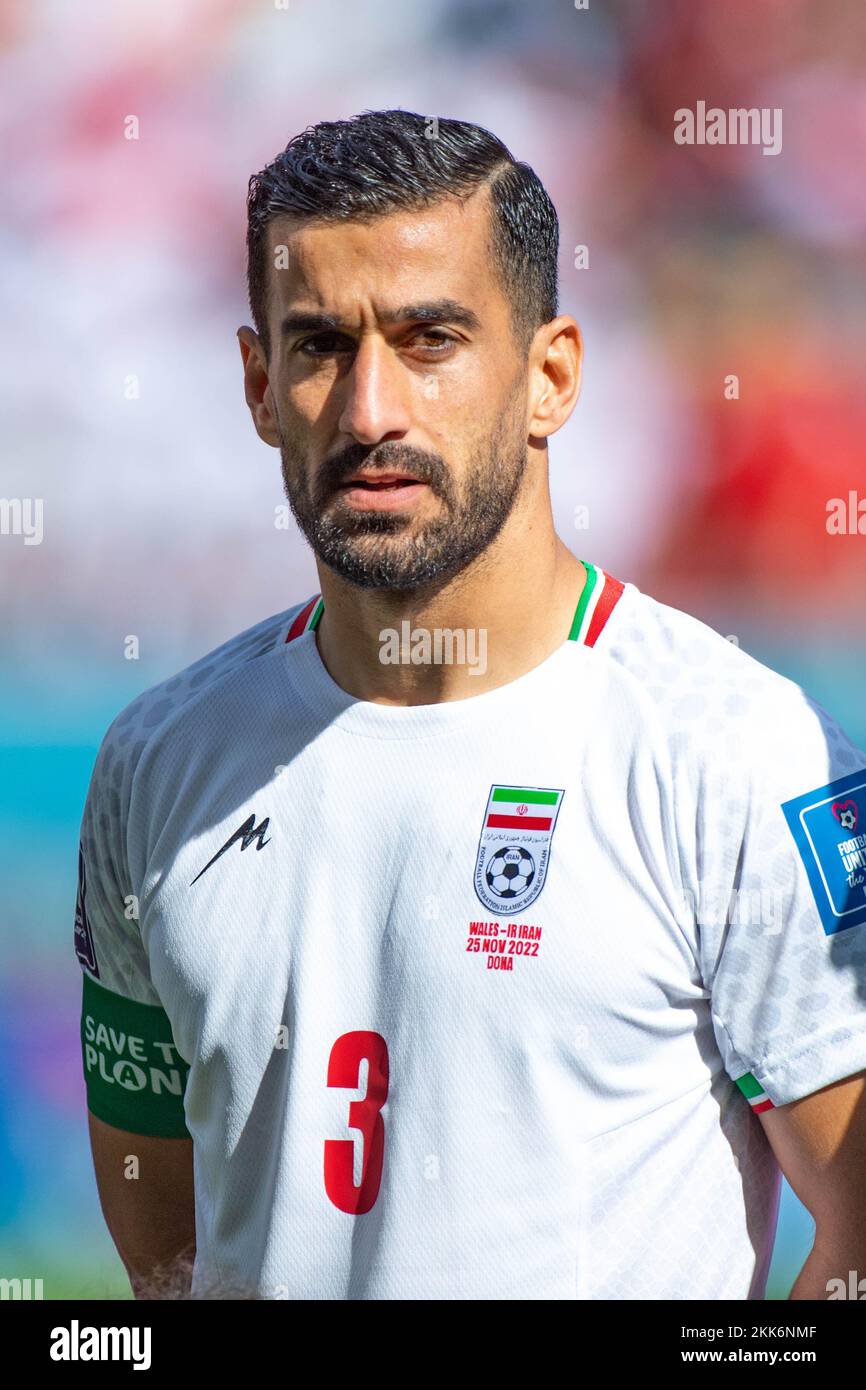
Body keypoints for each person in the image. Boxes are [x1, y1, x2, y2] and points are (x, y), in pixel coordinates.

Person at [76, 109, 866, 1300]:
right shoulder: (157, 764)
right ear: (255, 384)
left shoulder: (739, 757)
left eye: (429, 338)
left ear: (549, 377)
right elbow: (163, 1254)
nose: (370, 411)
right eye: (320, 345)